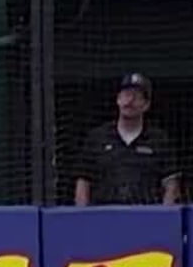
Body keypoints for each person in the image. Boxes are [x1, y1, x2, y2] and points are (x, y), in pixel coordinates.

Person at [74, 72, 181, 206]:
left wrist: (165, 218)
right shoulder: (97, 137)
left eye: (136, 97)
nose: (129, 101)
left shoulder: (159, 139)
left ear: (146, 105)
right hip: (104, 218)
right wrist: (83, 219)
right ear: (118, 99)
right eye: (126, 94)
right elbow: (83, 183)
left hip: (146, 218)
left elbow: (171, 185)